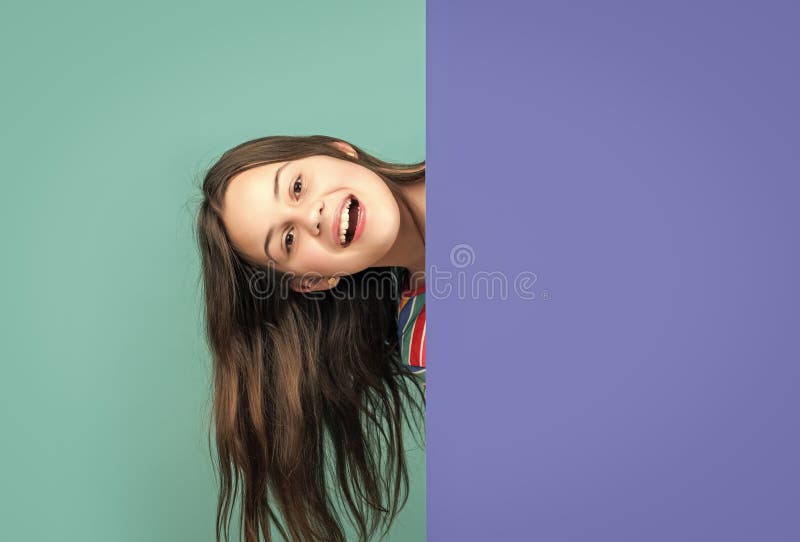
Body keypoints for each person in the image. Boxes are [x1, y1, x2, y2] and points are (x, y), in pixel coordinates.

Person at [195, 134, 426, 542]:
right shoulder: (427, 344)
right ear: (313, 282)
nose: (312, 217)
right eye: (288, 239)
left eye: (297, 187)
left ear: (338, 150)